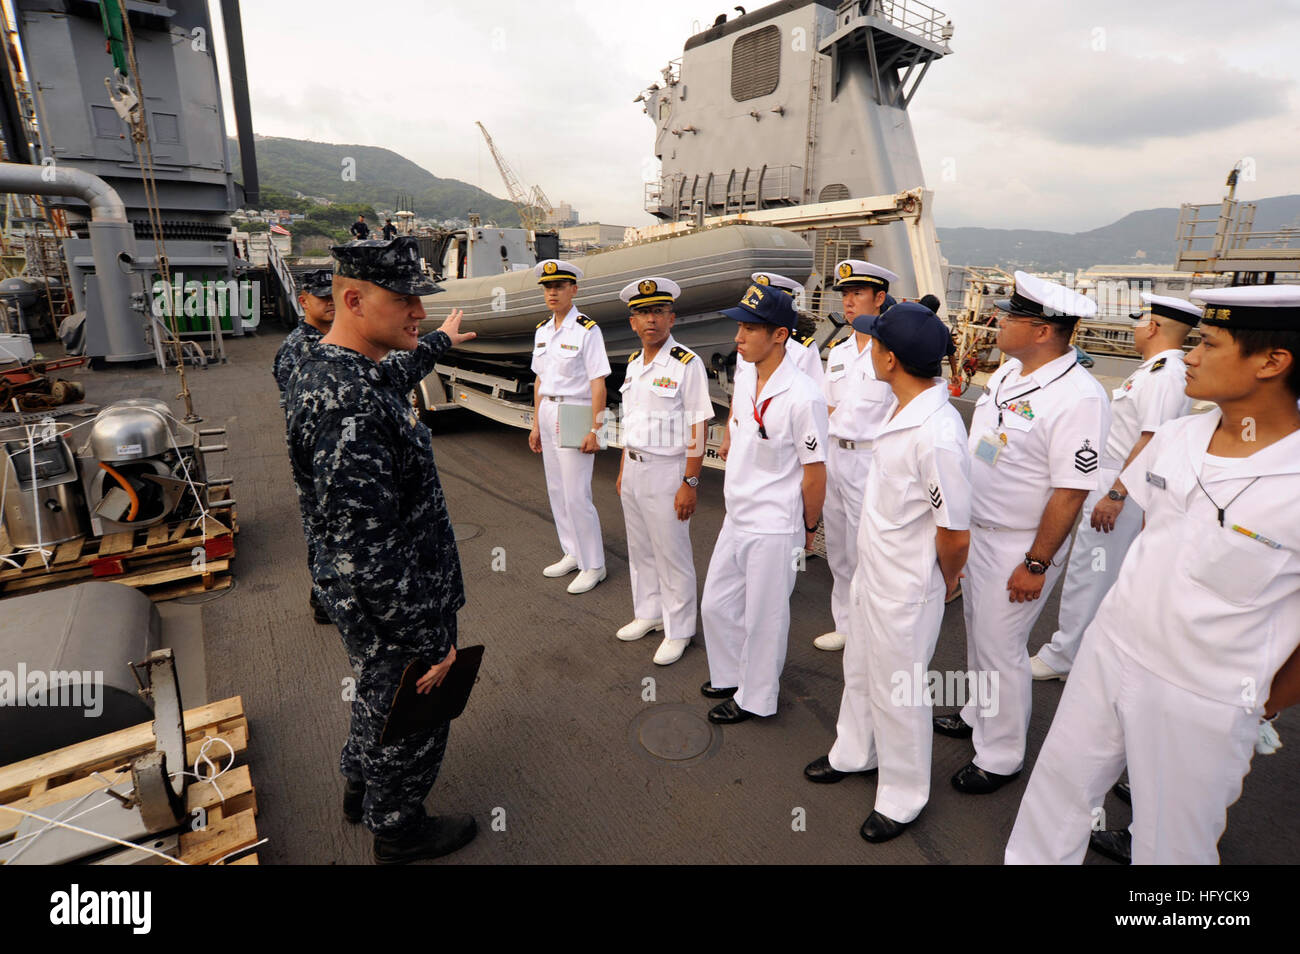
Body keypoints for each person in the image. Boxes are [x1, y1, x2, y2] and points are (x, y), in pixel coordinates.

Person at [1006, 284, 1300, 864]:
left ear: (1271, 361)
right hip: (1112, 652)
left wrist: (1260, 702)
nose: (1188, 356)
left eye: (1209, 344)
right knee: (1058, 793)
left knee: (1173, 845)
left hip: (1204, 692)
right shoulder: (1175, 438)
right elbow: (1152, 545)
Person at [286, 236, 478, 864]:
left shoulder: (346, 369)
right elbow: (367, 547)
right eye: (404, 300)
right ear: (353, 298)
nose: (416, 312)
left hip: (371, 596)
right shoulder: (346, 404)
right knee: (415, 708)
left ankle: (361, 783)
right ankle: (398, 828)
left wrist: (440, 341)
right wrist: (428, 636)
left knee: (377, 689)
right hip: (396, 598)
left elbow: (397, 369)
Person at [934, 270, 1110, 795]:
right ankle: (976, 713)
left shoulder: (1080, 396)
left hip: (1021, 542)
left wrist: (1036, 563)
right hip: (979, 530)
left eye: (1012, 317)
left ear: (1041, 332)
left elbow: (1070, 491)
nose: (999, 322)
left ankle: (1001, 754)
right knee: (979, 636)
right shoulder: (1008, 375)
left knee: (1002, 648)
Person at [804, 302, 971, 843]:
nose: (867, 350)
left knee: (900, 693)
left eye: (874, 343)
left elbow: (955, 532)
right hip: (874, 576)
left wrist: (945, 583)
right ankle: (854, 752)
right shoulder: (904, 411)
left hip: (906, 587)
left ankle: (902, 795)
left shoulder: (937, 433)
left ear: (890, 358)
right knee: (860, 671)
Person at [1031, 292, 1199, 680]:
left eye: (1140, 320)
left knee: (1091, 571)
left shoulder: (1164, 375)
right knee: (1099, 570)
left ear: (1153, 327)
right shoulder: (1155, 371)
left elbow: (1151, 438)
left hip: (1120, 485)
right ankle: (1082, 650)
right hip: (1116, 480)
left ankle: (1063, 655)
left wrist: (1117, 493)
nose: (1135, 327)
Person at [699, 282, 828, 724]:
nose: (738, 337)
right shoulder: (746, 368)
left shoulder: (804, 395)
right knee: (715, 604)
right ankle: (733, 673)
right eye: (740, 327)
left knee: (765, 620)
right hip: (738, 513)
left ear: (780, 335)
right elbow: (738, 416)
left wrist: (809, 530)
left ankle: (757, 698)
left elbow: (815, 474)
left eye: (750, 328)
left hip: (776, 523)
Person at [614, 277, 713, 665]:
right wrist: (624, 468)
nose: (650, 320)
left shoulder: (687, 364)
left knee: (671, 553)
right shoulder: (634, 363)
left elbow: (697, 426)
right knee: (640, 551)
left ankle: (680, 629)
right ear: (632, 323)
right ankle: (649, 613)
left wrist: (690, 482)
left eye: (658, 311)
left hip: (668, 471)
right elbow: (631, 421)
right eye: (642, 313)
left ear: (672, 318)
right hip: (635, 467)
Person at [815, 260, 902, 653]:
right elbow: (828, 409)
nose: (848, 302)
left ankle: (873, 629)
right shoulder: (838, 351)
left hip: (873, 461)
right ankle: (845, 623)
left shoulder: (894, 350)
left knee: (872, 549)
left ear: (880, 298)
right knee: (839, 548)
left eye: (858, 294)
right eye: (845, 295)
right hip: (836, 457)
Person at [529, 259, 611, 593]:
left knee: (577, 494)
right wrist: (535, 424)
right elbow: (538, 380)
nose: (552, 292)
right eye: (548, 287)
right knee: (558, 490)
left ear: (573, 290)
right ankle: (572, 552)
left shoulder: (587, 329)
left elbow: (598, 384)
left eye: (559, 287)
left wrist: (596, 429)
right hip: (548, 410)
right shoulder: (542, 330)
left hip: (576, 411)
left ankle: (595, 564)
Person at [719, 272, 822, 461]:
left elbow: (814, 407)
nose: (739, 336)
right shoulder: (748, 349)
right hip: (747, 442)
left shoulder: (803, 349)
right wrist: (729, 435)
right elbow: (739, 395)